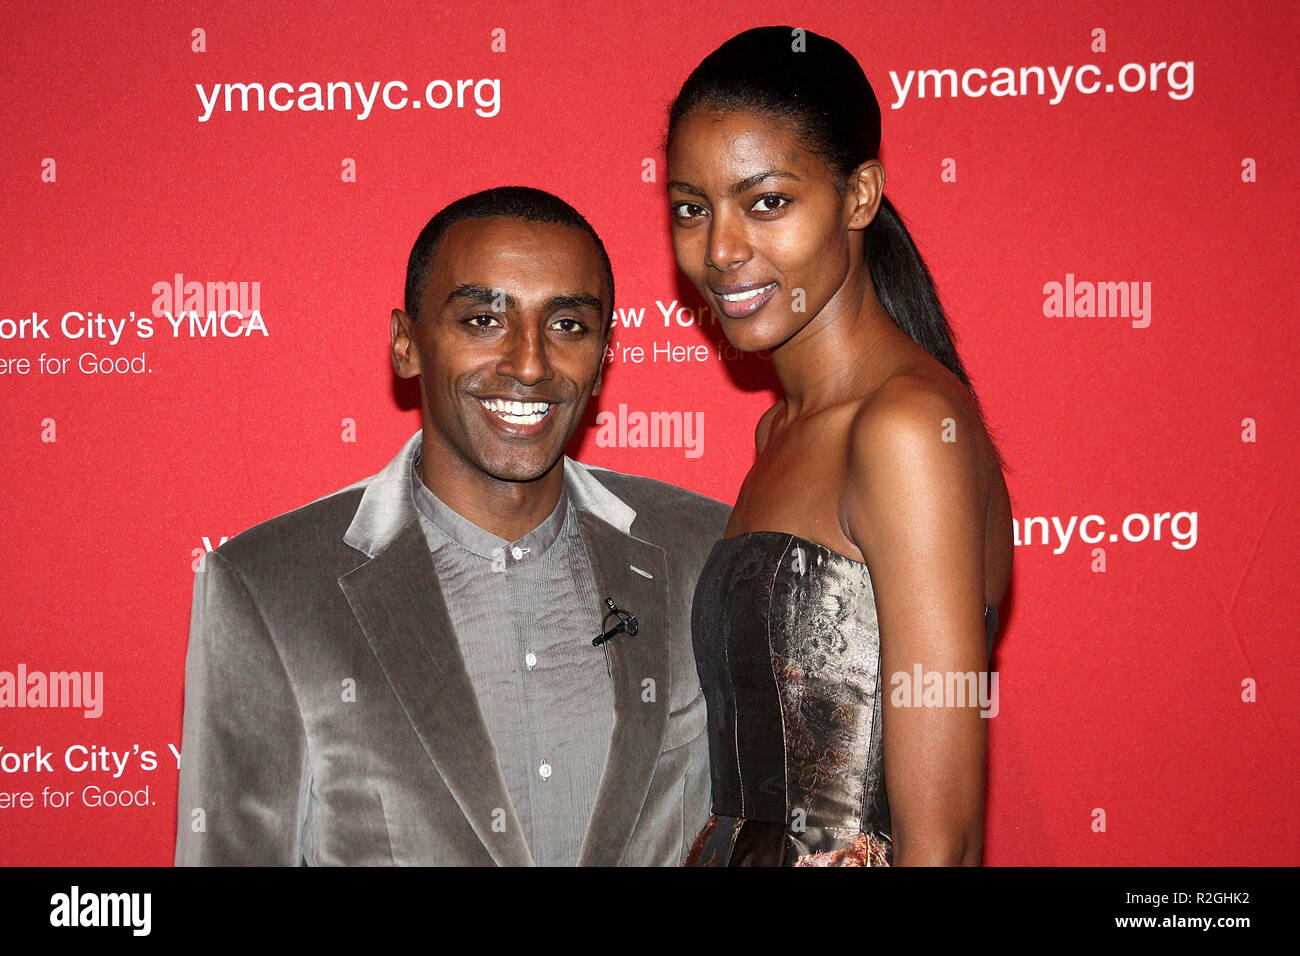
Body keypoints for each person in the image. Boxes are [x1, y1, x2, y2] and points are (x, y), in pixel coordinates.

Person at [175, 186, 729, 866]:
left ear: (604, 358)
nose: (530, 363)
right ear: (407, 346)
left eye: (568, 326)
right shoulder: (271, 587)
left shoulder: (706, 552)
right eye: (482, 321)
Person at [666, 28, 1013, 866]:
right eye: (691, 207)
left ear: (859, 196)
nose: (720, 249)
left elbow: (943, 841)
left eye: (767, 202)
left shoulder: (902, 431)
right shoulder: (781, 429)